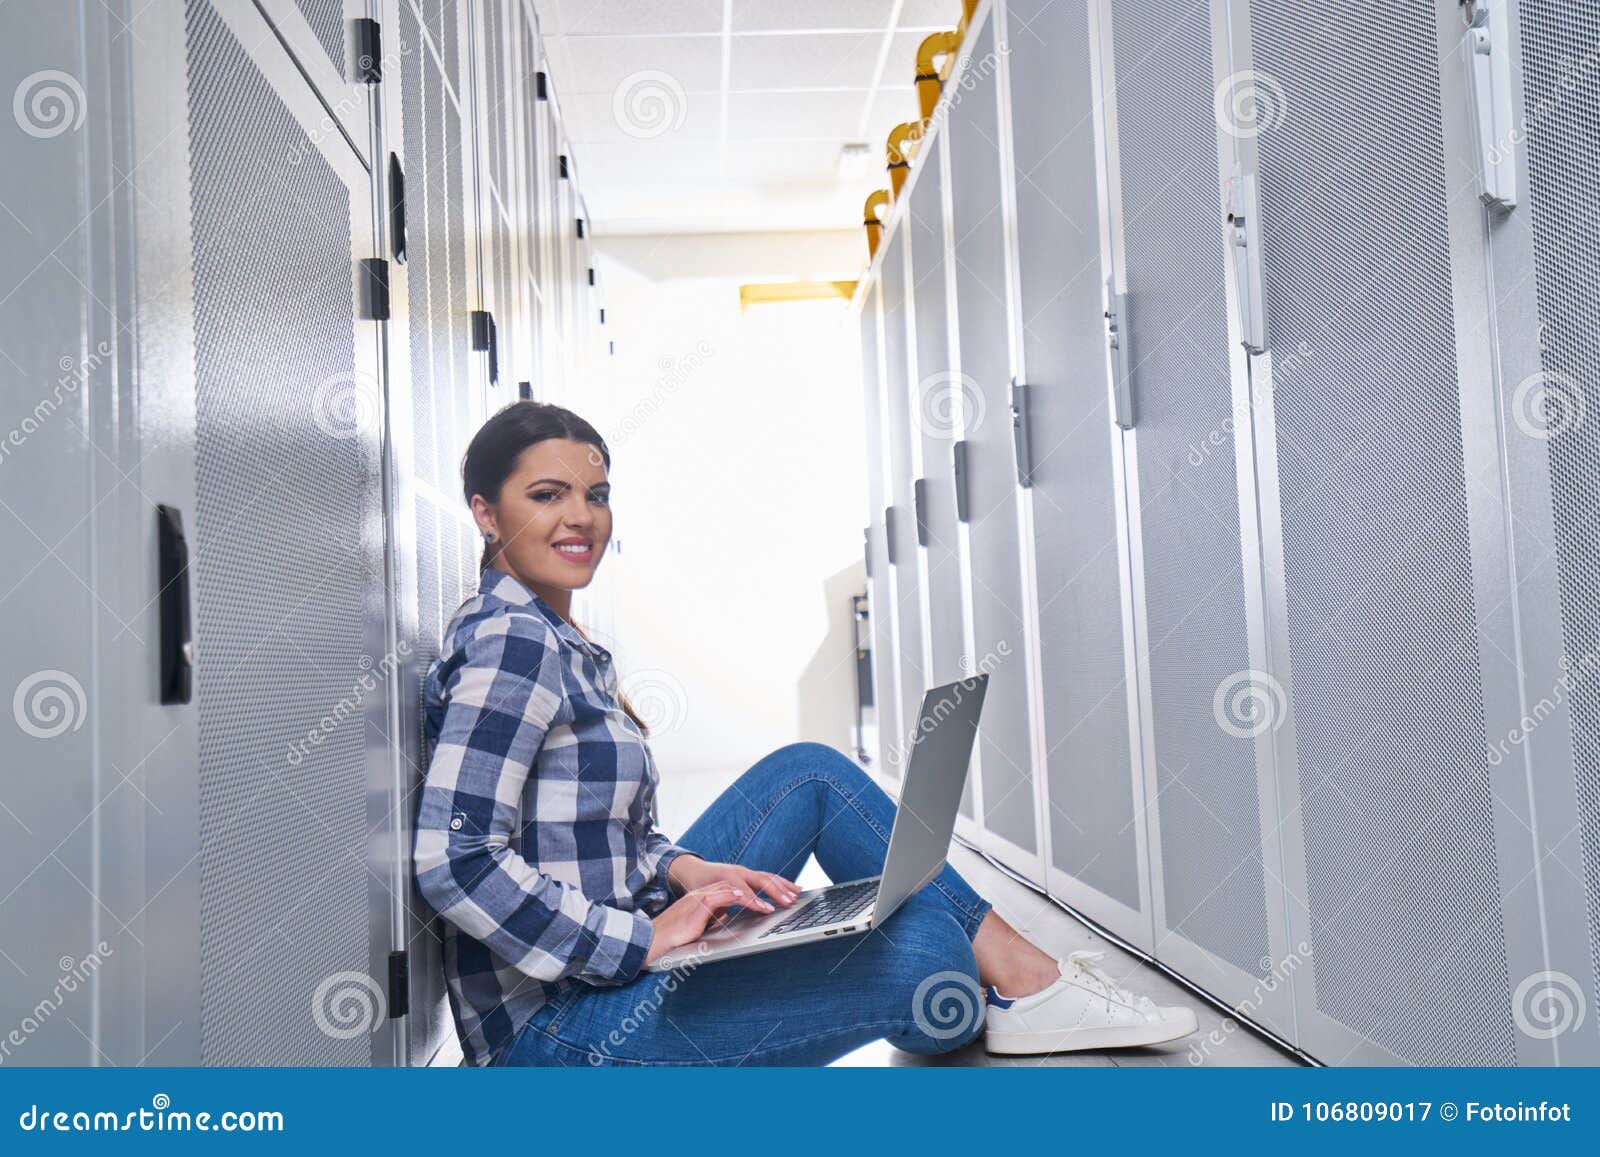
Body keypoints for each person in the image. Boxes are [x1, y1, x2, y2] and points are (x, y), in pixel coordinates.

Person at [412, 401, 1198, 1066]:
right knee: (927, 955)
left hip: (614, 950)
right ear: (487, 511)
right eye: (547, 494)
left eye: (596, 493)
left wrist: (686, 868)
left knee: (811, 777)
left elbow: (590, 835)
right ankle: (1011, 986)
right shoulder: (511, 641)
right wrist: (641, 941)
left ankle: (1022, 981)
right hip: (559, 1034)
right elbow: (455, 858)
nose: (580, 516)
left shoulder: (556, 637)